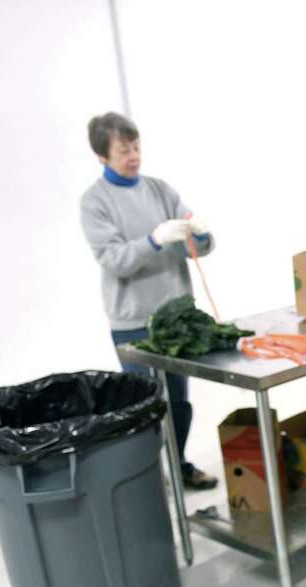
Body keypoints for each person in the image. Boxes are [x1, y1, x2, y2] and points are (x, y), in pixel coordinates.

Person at [80, 112, 218, 489]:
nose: (133, 155)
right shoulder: (96, 202)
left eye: (136, 146)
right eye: (123, 150)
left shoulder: (160, 190)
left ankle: (180, 465)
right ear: (102, 155)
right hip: (135, 323)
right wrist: (155, 240)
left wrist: (201, 235)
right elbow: (113, 260)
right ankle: (145, 480)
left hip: (176, 321)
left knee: (178, 402)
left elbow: (194, 246)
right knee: (145, 407)